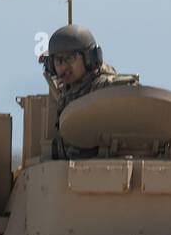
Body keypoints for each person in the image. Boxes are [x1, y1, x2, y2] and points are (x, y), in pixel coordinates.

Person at [41, 24, 139, 159]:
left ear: (89, 58)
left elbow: (135, 98)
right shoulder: (68, 92)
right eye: (58, 60)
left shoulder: (105, 88)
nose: (64, 67)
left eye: (70, 58)